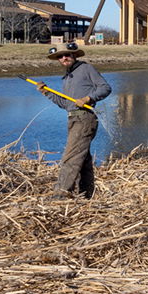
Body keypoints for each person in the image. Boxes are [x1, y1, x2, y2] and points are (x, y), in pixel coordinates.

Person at [37, 42, 111, 198]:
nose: (64, 58)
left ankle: (61, 194)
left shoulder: (86, 68)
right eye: (60, 56)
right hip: (73, 118)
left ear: (74, 55)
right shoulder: (66, 77)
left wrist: (88, 98)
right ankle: (86, 194)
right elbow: (66, 104)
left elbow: (105, 88)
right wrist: (47, 93)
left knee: (70, 157)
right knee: (82, 158)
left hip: (85, 118)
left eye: (67, 55)